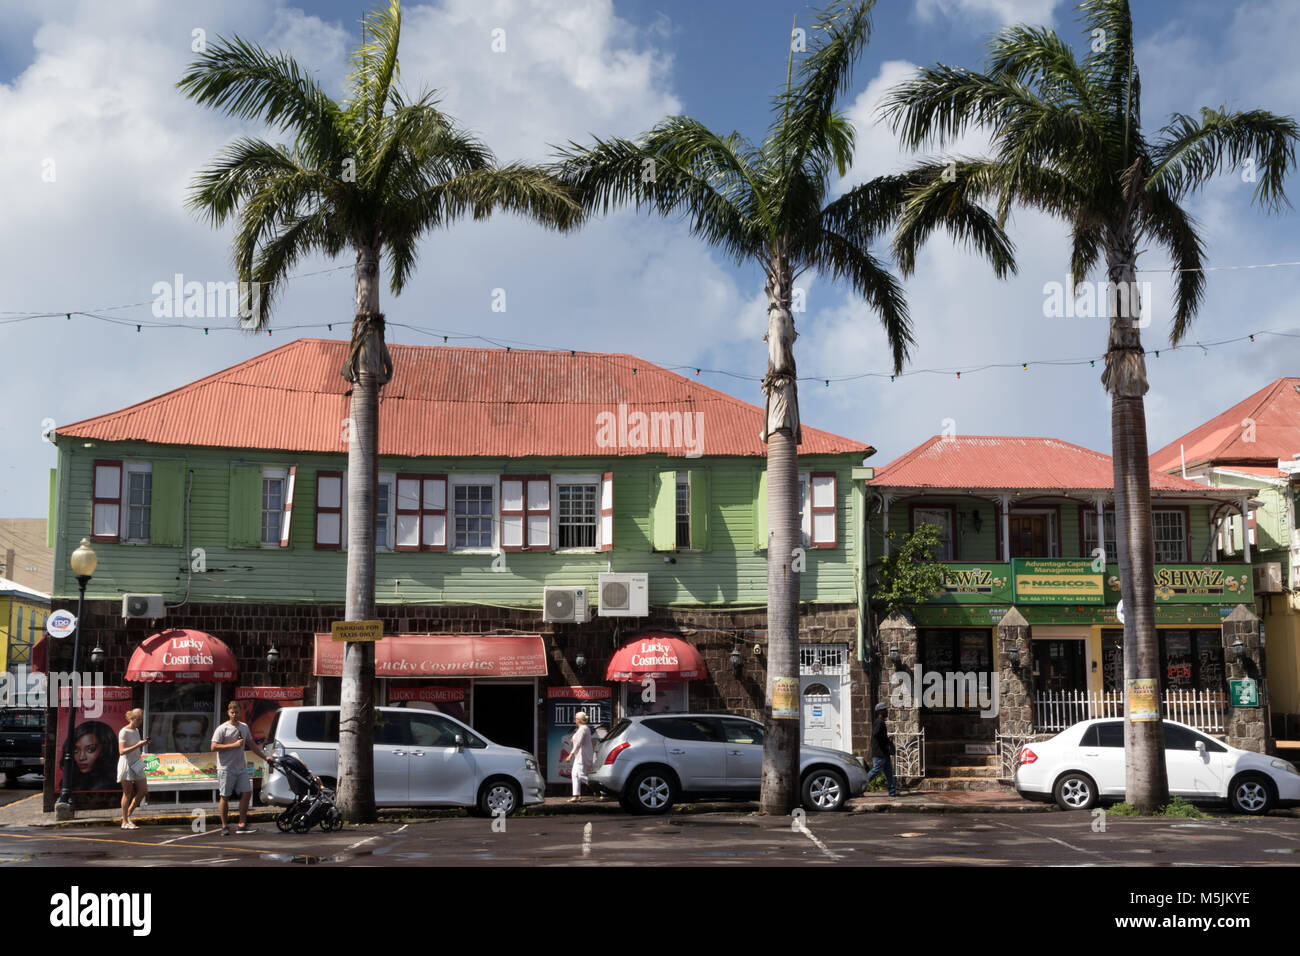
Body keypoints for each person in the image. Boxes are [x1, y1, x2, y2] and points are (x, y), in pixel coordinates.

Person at [211, 699, 274, 835]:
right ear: (228, 713)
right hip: (226, 768)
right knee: (225, 796)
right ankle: (224, 826)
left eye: (237, 712)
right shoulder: (222, 729)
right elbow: (213, 746)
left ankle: (242, 823)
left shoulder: (244, 727)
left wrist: (265, 757)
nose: (234, 714)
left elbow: (251, 744)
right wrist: (233, 746)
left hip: (241, 767)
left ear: (240, 713)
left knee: (247, 793)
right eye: (232, 712)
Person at [117, 709, 149, 829]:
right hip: (126, 764)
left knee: (143, 790)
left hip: (136, 762)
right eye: (138, 719)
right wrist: (138, 745)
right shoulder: (123, 732)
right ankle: (124, 822)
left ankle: (127, 814)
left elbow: (136, 748)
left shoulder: (136, 730)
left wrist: (142, 744)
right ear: (131, 718)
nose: (140, 722)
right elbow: (121, 751)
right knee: (127, 793)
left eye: (141, 719)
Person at [67, 720, 118, 792]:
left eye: (90, 750)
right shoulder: (71, 781)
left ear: (105, 750)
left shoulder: (112, 784)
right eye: (76, 750)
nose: (81, 757)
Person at [868, 701, 897, 797]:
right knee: (876, 770)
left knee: (889, 772)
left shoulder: (881, 722)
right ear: (880, 711)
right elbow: (876, 735)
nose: (887, 711)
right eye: (885, 710)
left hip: (884, 752)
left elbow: (878, 735)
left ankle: (892, 792)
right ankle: (860, 785)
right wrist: (886, 739)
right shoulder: (879, 722)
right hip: (880, 752)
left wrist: (886, 739)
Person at [567, 711, 594, 803]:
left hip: (582, 756)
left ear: (578, 720)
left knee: (580, 775)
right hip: (579, 756)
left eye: (575, 718)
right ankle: (576, 795)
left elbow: (578, 743)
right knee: (575, 774)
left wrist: (570, 754)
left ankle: (600, 788)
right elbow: (577, 739)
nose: (574, 719)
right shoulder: (583, 728)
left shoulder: (583, 728)